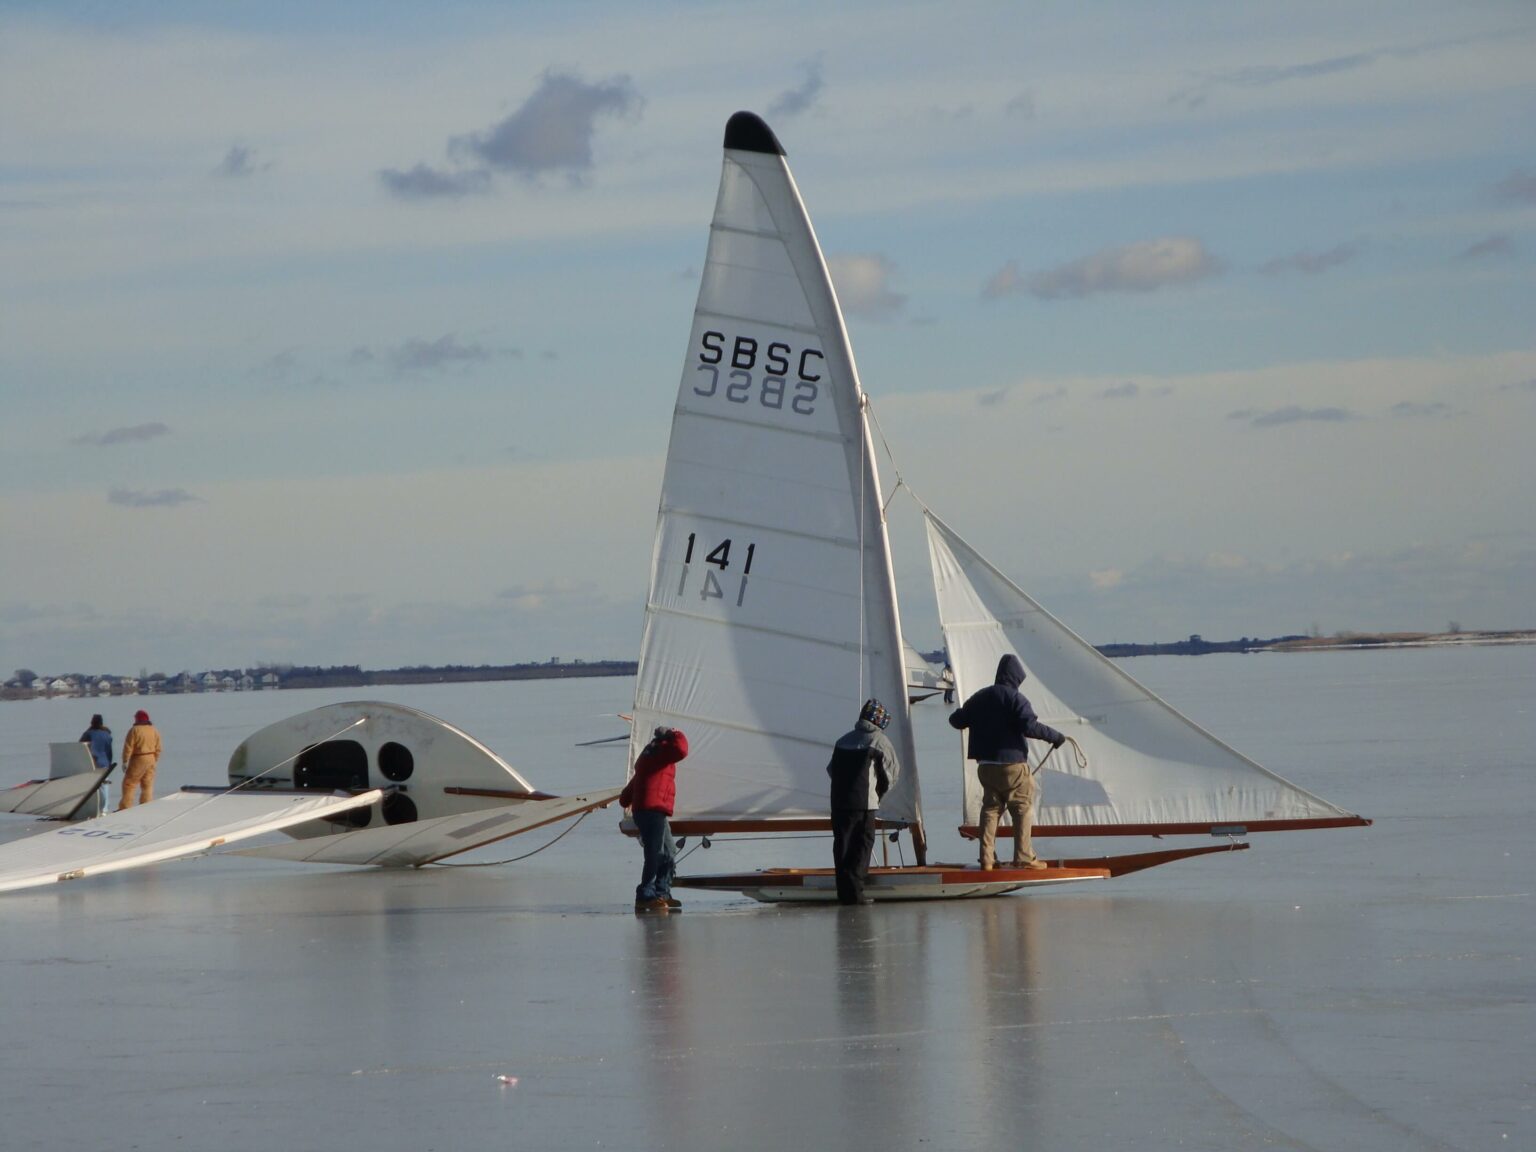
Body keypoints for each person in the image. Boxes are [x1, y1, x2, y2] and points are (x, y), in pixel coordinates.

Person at [948, 654, 1064, 871]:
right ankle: (1024, 858)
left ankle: (987, 860)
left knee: (991, 809)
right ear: (1016, 678)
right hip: (1013, 766)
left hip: (986, 767)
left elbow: (956, 720)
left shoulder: (980, 697)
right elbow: (1030, 727)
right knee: (1021, 809)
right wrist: (1056, 737)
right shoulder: (1016, 699)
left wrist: (975, 715)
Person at [826, 698, 901, 905]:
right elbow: (892, 773)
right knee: (862, 847)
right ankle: (856, 895)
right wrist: (878, 794)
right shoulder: (879, 741)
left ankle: (844, 894)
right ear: (881, 722)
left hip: (839, 803)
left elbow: (831, 770)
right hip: (864, 804)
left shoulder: (842, 740)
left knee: (842, 847)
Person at [620, 727, 689, 914]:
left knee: (669, 851)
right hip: (650, 810)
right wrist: (676, 732)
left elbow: (638, 778)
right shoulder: (663, 750)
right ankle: (646, 895)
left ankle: (662, 893)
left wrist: (625, 798)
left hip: (652, 810)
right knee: (656, 853)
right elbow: (682, 750)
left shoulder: (651, 752)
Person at [117, 709, 163, 810]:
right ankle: (146, 806)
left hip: (138, 758)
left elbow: (128, 747)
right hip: (151, 758)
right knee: (147, 784)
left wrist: (125, 760)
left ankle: (125, 807)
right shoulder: (154, 730)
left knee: (129, 784)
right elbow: (159, 747)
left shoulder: (134, 730)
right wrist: (155, 759)